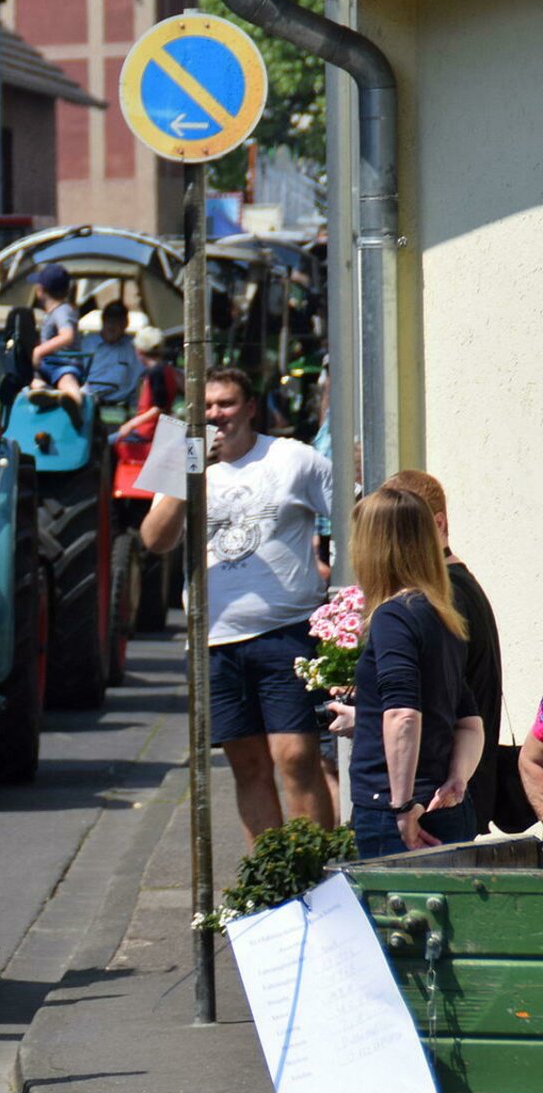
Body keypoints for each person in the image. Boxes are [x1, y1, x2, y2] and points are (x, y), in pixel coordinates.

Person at [140, 366, 335, 845]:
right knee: (246, 765)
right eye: (205, 406)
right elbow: (154, 540)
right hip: (215, 638)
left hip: (286, 630)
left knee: (297, 757)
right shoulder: (178, 456)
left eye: (225, 404)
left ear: (249, 408)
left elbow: (351, 516)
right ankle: (269, 876)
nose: (215, 414)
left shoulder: (292, 457)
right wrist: (187, 473)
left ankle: (315, 870)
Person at [326, 487, 482, 858]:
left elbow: (404, 715)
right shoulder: (443, 613)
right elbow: (468, 722)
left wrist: (401, 805)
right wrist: (457, 779)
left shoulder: (394, 615)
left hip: (396, 812)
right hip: (445, 805)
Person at [385, 469, 505, 827]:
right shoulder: (457, 588)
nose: (394, 543)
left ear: (439, 523)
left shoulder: (445, 597)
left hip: (441, 794)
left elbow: (437, 703)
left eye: (408, 529)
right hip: (455, 787)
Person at [26, 264, 84, 416]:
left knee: (67, 380)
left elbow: (67, 336)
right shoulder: (51, 313)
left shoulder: (63, 311)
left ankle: (75, 404)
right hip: (47, 365)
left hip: (64, 363)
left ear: (40, 290)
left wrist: (39, 351)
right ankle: (46, 394)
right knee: (29, 378)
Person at [80, 300, 143, 410]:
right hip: (88, 401)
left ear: (125, 324)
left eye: (117, 321)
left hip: (120, 406)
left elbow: (145, 376)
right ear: (103, 320)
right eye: (109, 320)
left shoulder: (134, 347)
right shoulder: (87, 343)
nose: (112, 325)